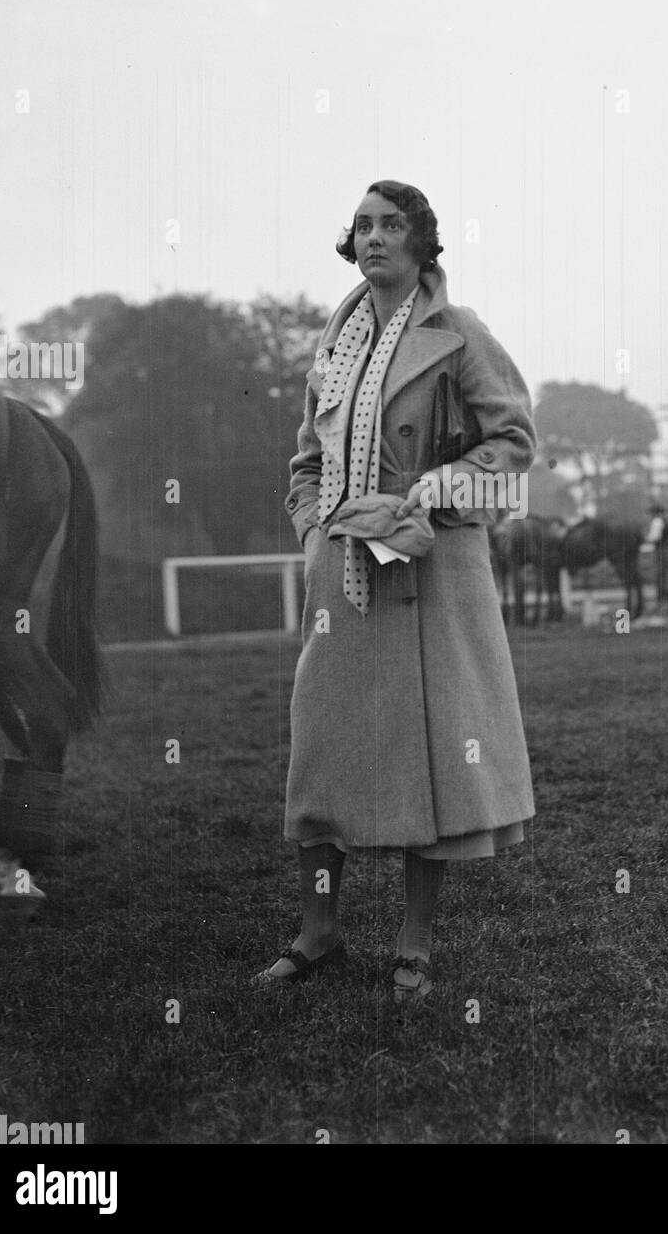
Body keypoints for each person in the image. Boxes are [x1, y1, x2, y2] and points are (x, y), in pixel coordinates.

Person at [255, 180, 536, 1002]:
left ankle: (414, 945)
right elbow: (307, 464)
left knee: (431, 758)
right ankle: (318, 933)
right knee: (321, 753)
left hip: (433, 571)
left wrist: (429, 492)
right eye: (363, 226)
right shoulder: (335, 343)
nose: (373, 238)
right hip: (341, 579)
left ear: (422, 240)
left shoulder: (460, 333)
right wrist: (316, 531)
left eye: (391, 225)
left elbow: (514, 447)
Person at [645, 502, 668, 614]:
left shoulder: (657, 522)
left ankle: (663, 604)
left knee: (660, 579)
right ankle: (666, 604)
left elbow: (654, 537)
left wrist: (645, 539)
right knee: (663, 578)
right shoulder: (667, 521)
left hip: (661, 552)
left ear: (655, 513)